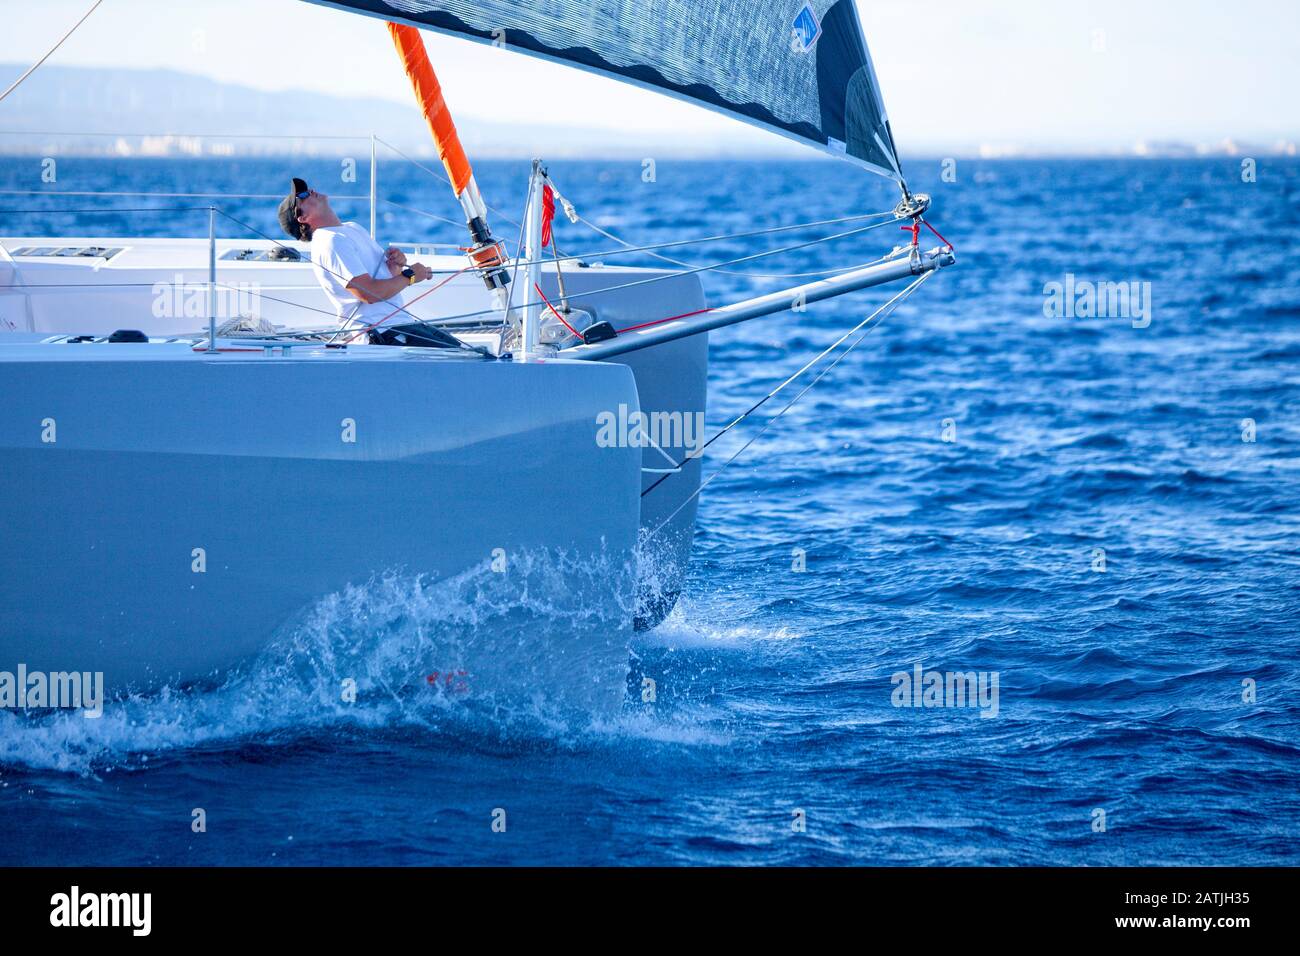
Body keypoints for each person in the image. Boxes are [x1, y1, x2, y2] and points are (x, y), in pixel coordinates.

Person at [277, 177, 434, 340]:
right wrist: (410, 276)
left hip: (401, 325)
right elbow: (369, 294)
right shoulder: (329, 241)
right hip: (382, 334)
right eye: (302, 196)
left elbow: (384, 283)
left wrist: (395, 267)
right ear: (302, 218)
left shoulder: (351, 228)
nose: (310, 191)